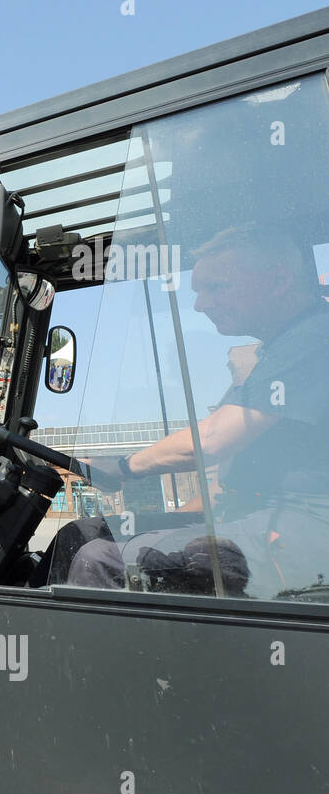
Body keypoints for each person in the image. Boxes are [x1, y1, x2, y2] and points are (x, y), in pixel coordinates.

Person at [44, 225, 329, 598]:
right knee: (80, 533)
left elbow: (211, 440)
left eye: (216, 287)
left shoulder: (312, 337)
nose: (200, 304)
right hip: (256, 517)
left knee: (101, 561)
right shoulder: (277, 352)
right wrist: (166, 523)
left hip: (301, 529)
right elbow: (224, 483)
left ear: (277, 280)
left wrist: (124, 466)